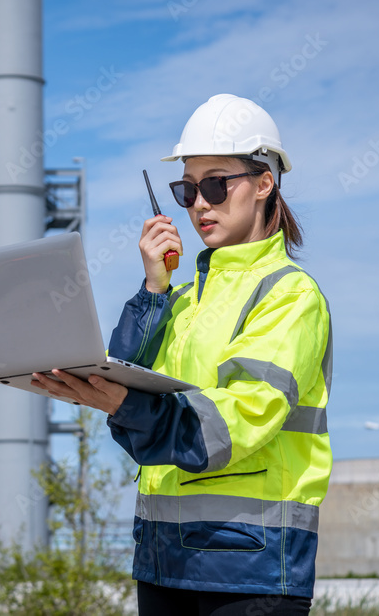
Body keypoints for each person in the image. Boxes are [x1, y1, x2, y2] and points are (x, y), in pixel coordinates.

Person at [30, 94, 333, 615]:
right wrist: (153, 286)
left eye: (216, 184)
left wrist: (126, 406)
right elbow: (125, 368)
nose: (198, 204)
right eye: (187, 189)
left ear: (265, 183)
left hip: (249, 568)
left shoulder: (290, 295)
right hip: (164, 561)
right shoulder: (185, 297)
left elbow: (239, 420)